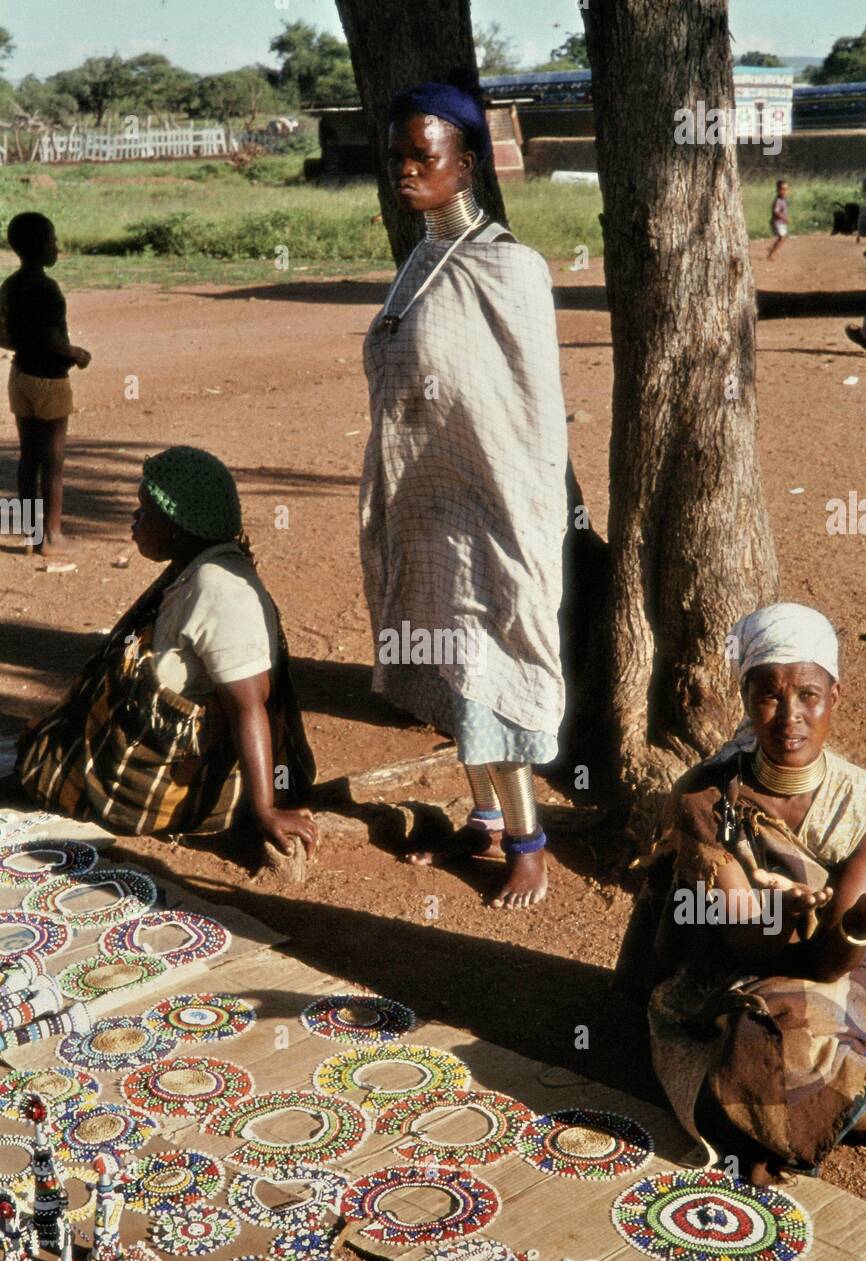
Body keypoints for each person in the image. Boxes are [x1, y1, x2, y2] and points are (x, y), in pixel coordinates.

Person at [360, 81, 569, 909]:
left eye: (425, 156)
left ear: (467, 164)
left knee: (492, 662)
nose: (407, 171)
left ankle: (530, 843)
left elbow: (528, 408)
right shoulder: (421, 259)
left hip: (494, 509)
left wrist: (514, 504)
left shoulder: (511, 268)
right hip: (429, 505)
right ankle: (483, 815)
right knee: (453, 665)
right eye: (398, 158)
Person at [618, 603, 866, 1184]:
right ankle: (793, 1111)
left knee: (807, 1029)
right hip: (737, 971)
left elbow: (836, 954)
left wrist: (847, 923)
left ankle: (800, 1110)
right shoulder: (710, 799)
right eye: (769, 696)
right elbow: (747, 942)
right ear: (746, 699)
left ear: (835, 696)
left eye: (808, 695)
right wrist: (788, 913)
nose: (789, 717)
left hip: (840, 967)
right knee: (759, 1039)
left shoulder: (858, 801)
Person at [14, 446, 317, 856]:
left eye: (145, 513)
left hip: (181, 778)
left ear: (178, 525)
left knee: (45, 768)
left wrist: (264, 809)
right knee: (46, 748)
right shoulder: (194, 568)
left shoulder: (220, 591)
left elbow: (250, 706)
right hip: (175, 739)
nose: (133, 521)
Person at [0, 212, 91, 553]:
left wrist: (25, 346)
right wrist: (77, 353)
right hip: (49, 380)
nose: (57, 247)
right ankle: (53, 537)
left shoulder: (9, 285)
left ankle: (30, 535)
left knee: (28, 458)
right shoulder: (47, 289)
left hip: (20, 376)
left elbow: (3, 333)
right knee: (52, 459)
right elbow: (52, 340)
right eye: (53, 240)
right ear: (40, 247)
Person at [767, 179, 789, 260]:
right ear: (778, 190)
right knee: (782, 238)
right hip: (777, 222)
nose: (785, 191)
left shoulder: (784, 199)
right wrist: (784, 218)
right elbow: (775, 211)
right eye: (783, 189)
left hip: (781, 222)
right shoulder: (778, 201)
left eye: (786, 189)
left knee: (783, 237)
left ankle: (773, 248)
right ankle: (771, 254)